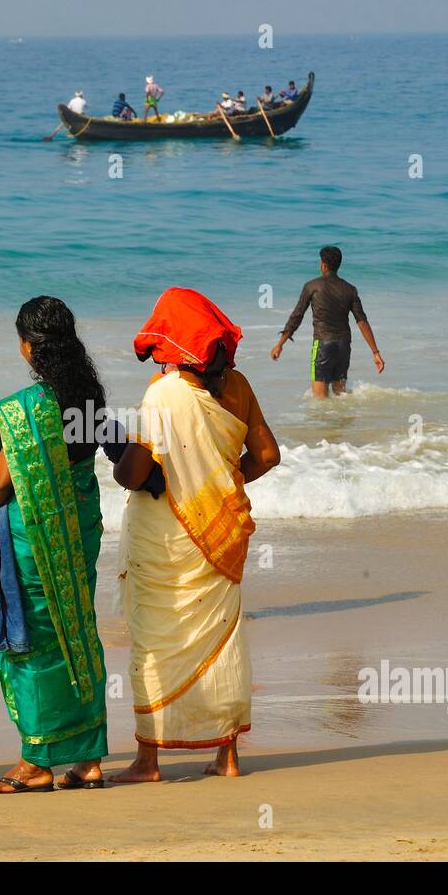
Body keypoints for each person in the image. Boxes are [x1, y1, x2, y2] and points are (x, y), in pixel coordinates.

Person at [111, 288, 280, 782]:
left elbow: (135, 472)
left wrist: (118, 455)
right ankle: (227, 756)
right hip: (221, 527)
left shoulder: (162, 394)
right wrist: (222, 482)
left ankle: (147, 761)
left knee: (155, 640)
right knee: (221, 639)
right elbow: (267, 455)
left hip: (163, 537)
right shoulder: (241, 386)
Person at [0, 296, 109, 794]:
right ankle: (88, 761)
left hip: (35, 544)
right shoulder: (90, 402)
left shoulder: (24, 410)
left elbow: (1, 486)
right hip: (81, 534)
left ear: (29, 347)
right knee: (78, 629)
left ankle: (35, 764)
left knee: (31, 643)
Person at [271, 245, 385, 397]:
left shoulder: (312, 286)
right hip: (344, 346)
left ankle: (325, 421)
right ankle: (341, 421)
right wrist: (375, 353)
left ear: (323, 265)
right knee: (340, 395)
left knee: (320, 400)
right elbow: (362, 321)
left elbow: (297, 316)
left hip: (323, 345)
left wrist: (280, 344)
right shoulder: (350, 289)